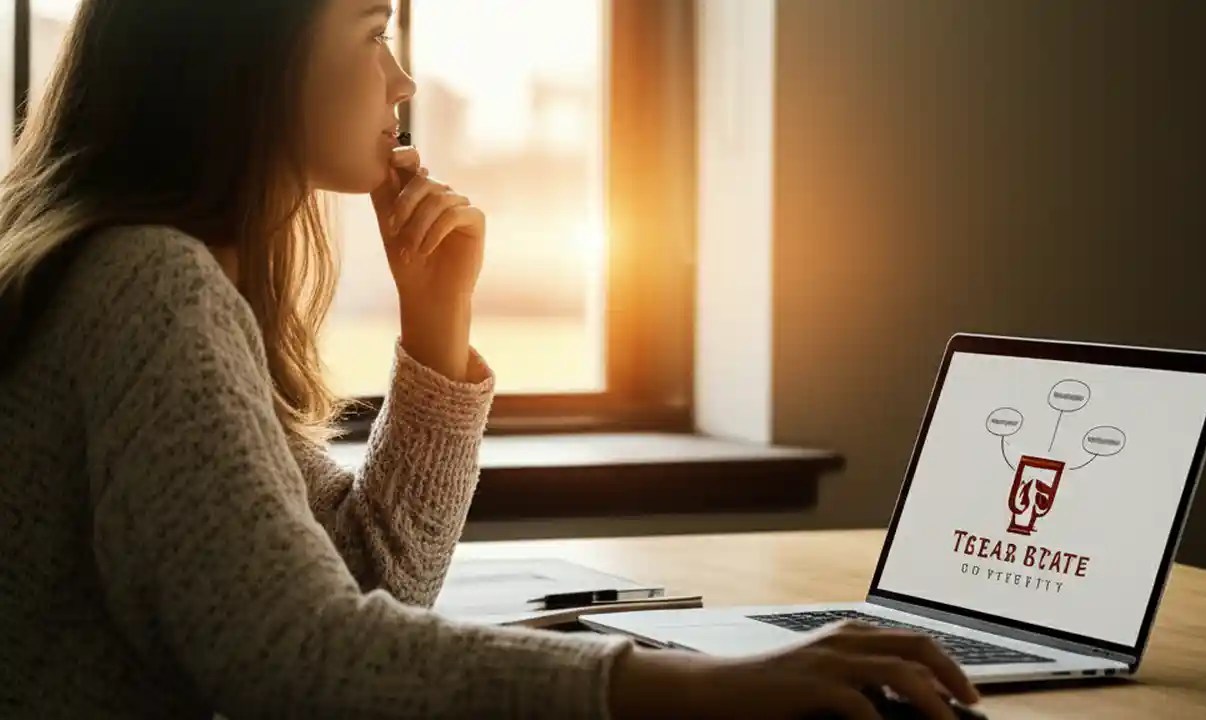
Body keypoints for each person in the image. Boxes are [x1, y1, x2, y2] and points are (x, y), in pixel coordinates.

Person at [0, 1, 981, 717]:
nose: (402, 79)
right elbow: (304, 660)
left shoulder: (132, 267)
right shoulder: (145, 283)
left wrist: (435, 333)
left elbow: (363, 592)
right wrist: (699, 687)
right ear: (247, 61)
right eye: (369, 32)